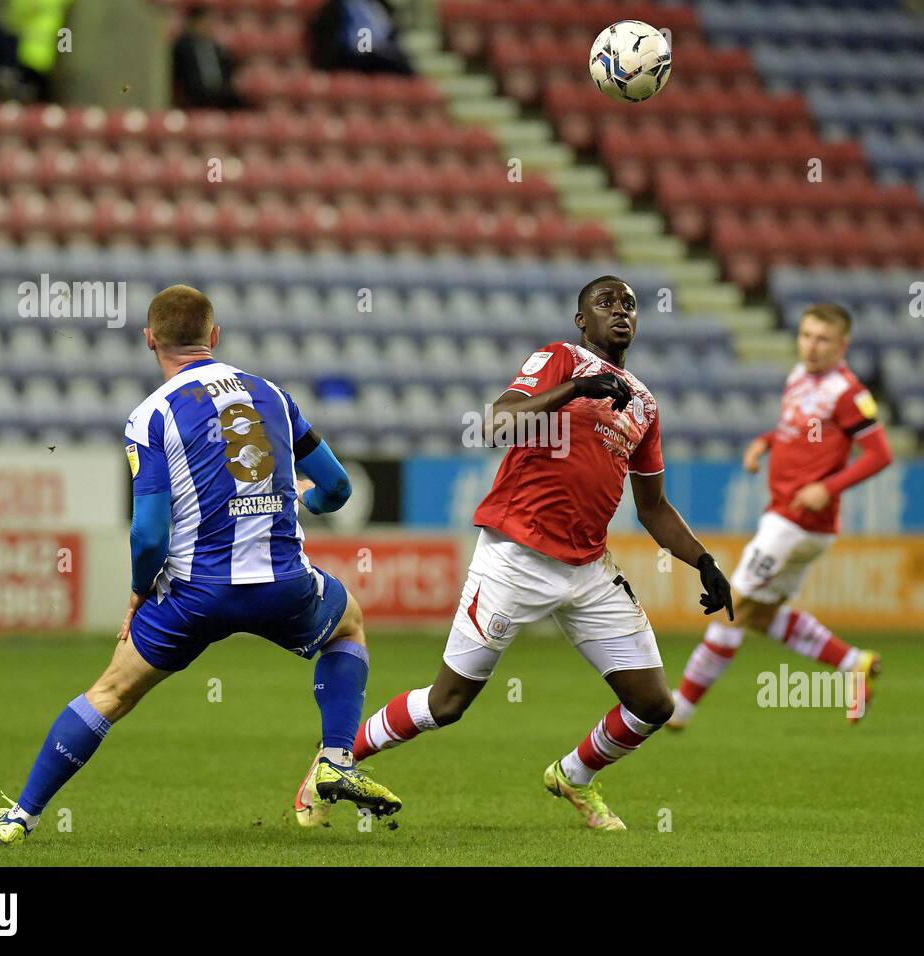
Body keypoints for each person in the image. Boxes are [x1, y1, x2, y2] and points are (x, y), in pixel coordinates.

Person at [294, 276, 735, 831]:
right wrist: (577, 389)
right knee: (447, 704)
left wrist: (704, 561)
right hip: (515, 556)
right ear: (582, 320)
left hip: (589, 569)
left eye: (629, 305)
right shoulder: (558, 360)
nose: (620, 312)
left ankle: (573, 775)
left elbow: (653, 507)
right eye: (606, 303)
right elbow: (497, 423)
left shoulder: (643, 403)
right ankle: (333, 764)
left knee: (654, 704)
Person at [0, 285, 401, 844]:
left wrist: (139, 593)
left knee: (110, 693)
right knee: (347, 622)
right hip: (284, 586)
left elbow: (149, 533)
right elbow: (339, 487)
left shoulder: (150, 416)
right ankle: (335, 758)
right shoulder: (270, 394)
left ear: (149, 339)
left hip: (195, 596)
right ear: (215, 335)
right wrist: (306, 500)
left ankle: (23, 817)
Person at [668, 303, 892, 729]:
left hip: (795, 522)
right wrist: (765, 441)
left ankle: (683, 706)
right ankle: (853, 662)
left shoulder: (847, 393)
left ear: (843, 345)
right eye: (807, 335)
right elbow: (797, 429)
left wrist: (827, 488)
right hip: (793, 521)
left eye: (823, 339)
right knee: (761, 615)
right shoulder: (799, 378)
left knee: (731, 604)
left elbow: (880, 455)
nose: (812, 346)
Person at [307, 0, 413, 75]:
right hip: (349, 58)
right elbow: (325, 37)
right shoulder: (337, 7)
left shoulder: (381, 6)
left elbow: (391, 32)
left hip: (379, 54)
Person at [171, 5, 246, 109]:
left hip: (219, 98)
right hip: (193, 98)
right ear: (194, 22)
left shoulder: (216, 47)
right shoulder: (183, 46)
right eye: (205, 21)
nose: (208, 25)